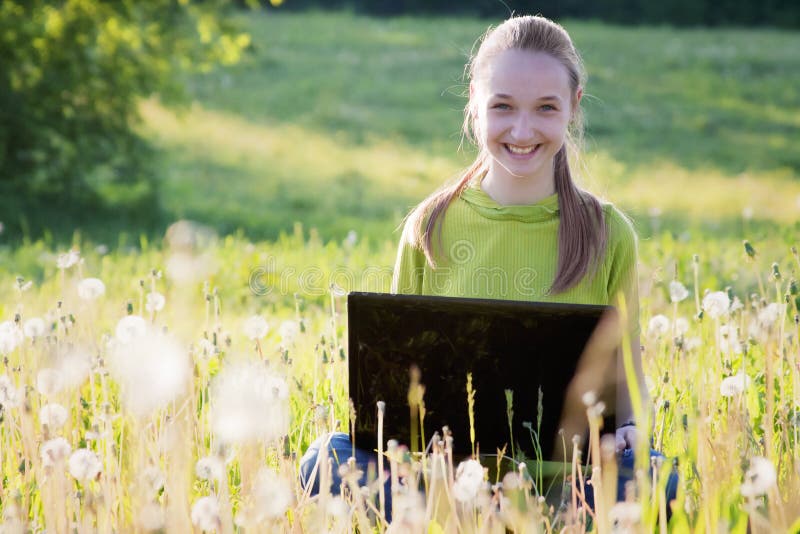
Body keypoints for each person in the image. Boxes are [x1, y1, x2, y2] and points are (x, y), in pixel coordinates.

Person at [301, 13, 676, 514]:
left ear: (573, 107)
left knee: (656, 477)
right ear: (474, 105)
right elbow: (391, 396)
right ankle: (472, 517)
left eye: (546, 108)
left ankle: (531, 519)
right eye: (503, 107)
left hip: (566, 487)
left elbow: (627, 381)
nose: (523, 130)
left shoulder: (609, 234)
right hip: (445, 484)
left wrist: (631, 429)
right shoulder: (429, 226)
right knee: (327, 458)